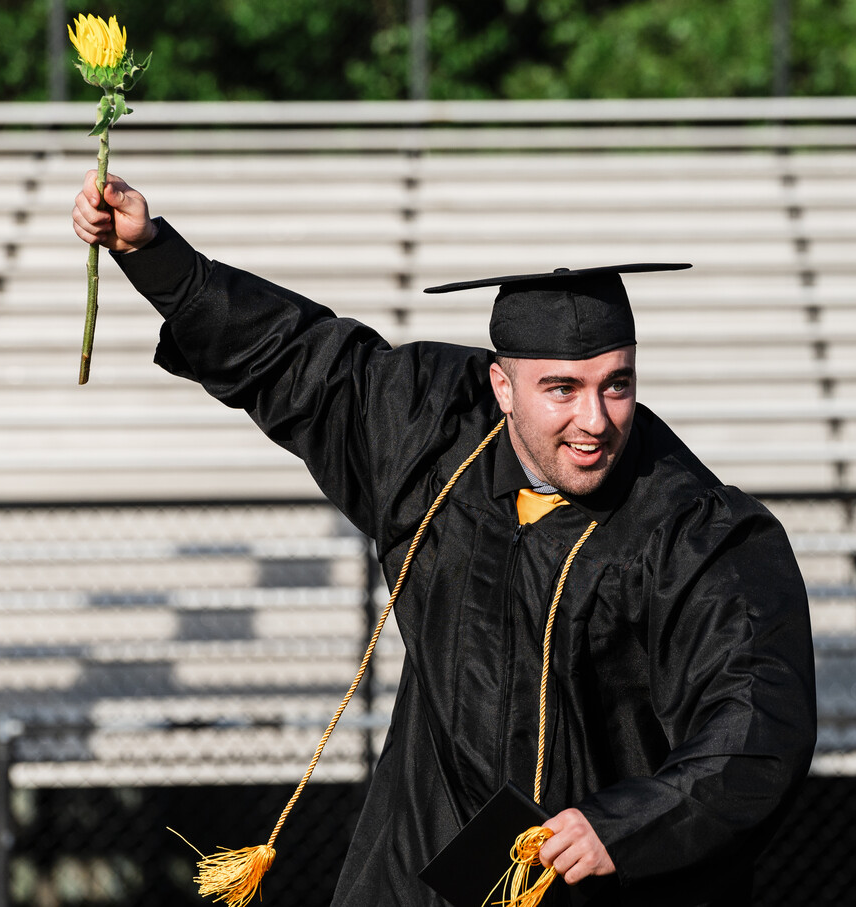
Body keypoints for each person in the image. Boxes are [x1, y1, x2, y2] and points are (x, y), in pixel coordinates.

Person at [72, 170, 817, 907]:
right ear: (503, 388)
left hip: (584, 881)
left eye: (615, 385)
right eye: (562, 389)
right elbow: (295, 356)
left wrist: (620, 826)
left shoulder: (698, 534)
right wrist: (152, 252)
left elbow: (756, 722)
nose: (594, 420)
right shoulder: (428, 434)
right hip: (415, 867)